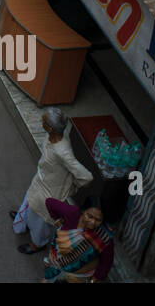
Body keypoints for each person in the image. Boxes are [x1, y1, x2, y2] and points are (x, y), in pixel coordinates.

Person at [11, 107, 94, 254]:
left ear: (49, 127)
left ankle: (37, 244)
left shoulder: (63, 152)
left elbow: (86, 177)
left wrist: (71, 187)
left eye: (43, 121)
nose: (41, 122)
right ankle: (23, 221)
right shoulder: (54, 135)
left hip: (50, 192)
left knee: (40, 221)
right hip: (41, 180)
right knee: (30, 203)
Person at [41, 199, 114, 282]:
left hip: (77, 275)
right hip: (55, 261)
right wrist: (57, 221)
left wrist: (94, 280)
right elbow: (49, 202)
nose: (93, 222)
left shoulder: (103, 236)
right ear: (83, 211)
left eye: (98, 220)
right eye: (90, 216)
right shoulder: (73, 213)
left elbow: (107, 262)